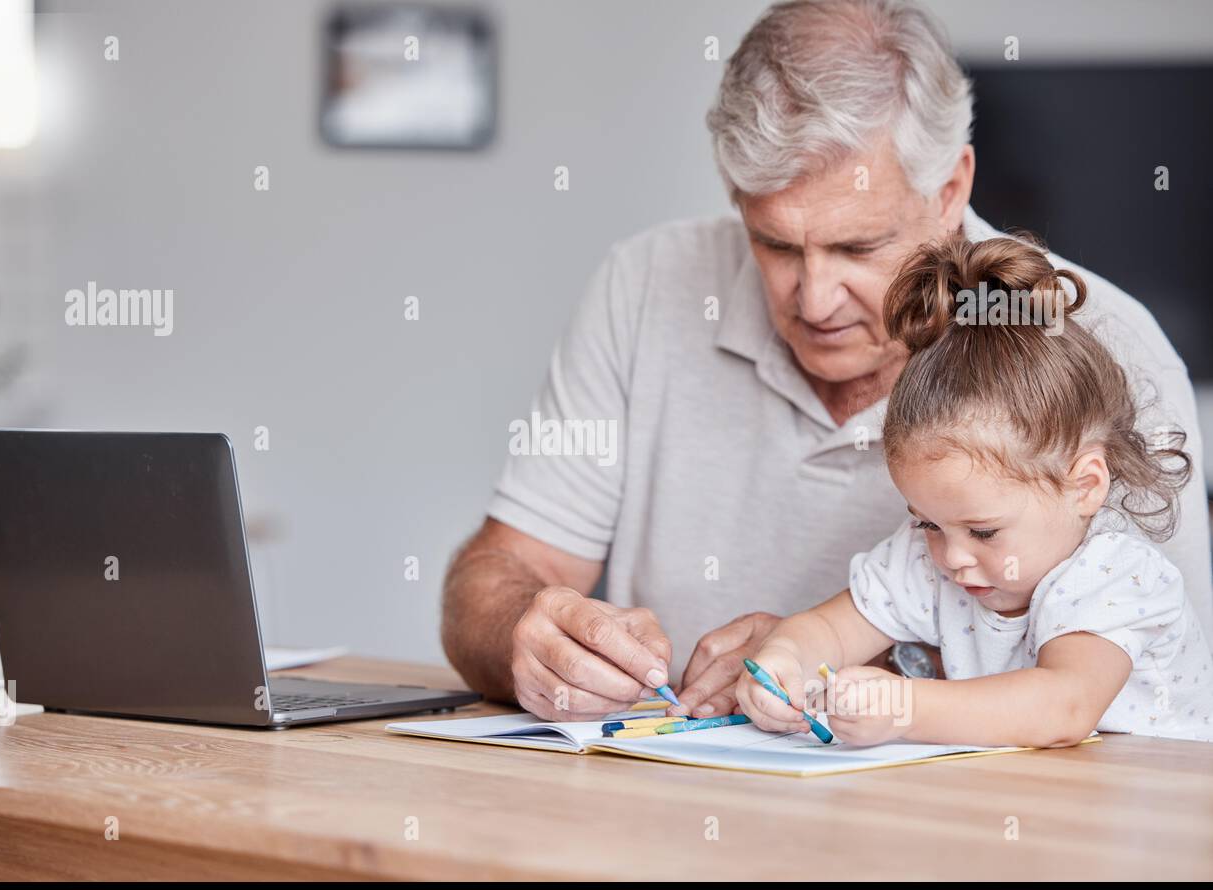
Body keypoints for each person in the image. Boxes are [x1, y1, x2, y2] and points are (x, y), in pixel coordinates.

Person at [441, 0, 1213, 722]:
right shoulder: (643, 286)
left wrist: (864, 670)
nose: (812, 299)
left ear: (951, 189)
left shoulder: (1100, 347)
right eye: (775, 243)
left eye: (857, 246)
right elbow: (500, 570)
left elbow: (1142, 699)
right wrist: (525, 633)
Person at [737, 234, 1212, 746]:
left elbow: (1063, 707)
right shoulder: (928, 559)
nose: (952, 556)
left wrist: (903, 709)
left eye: (984, 531)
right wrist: (782, 663)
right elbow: (826, 632)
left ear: (1085, 486)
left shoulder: (1118, 577)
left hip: (1151, 808)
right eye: (927, 522)